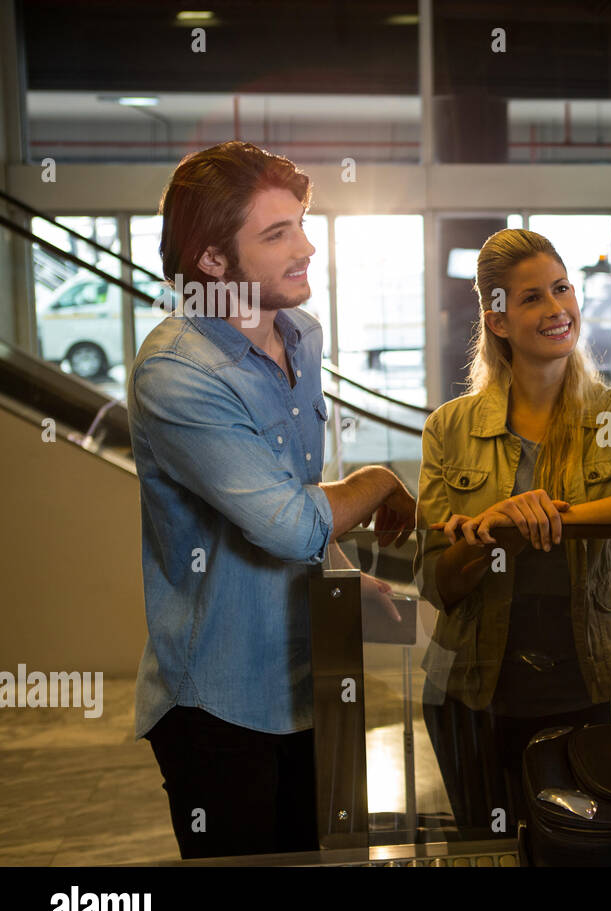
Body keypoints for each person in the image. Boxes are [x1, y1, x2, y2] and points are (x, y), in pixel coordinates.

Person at [130, 141, 417, 859]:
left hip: (310, 678)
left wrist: (350, 578)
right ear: (213, 262)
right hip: (220, 706)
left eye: (301, 225)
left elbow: (301, 498)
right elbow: (290, 524)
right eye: (277, 233)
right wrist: (378, 480)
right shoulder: (176, 373)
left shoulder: (302, 335)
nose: (306, 247)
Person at [414, 228, 611, 835]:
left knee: (575, 846)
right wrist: (492, 533)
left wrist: (540, 516)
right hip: (469, 691)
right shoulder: (451, 427)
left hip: (584, 677)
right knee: (486, 848)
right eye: (531, 299)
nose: (557, 310)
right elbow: (437, 580)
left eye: (562, 289)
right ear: (497, 320)